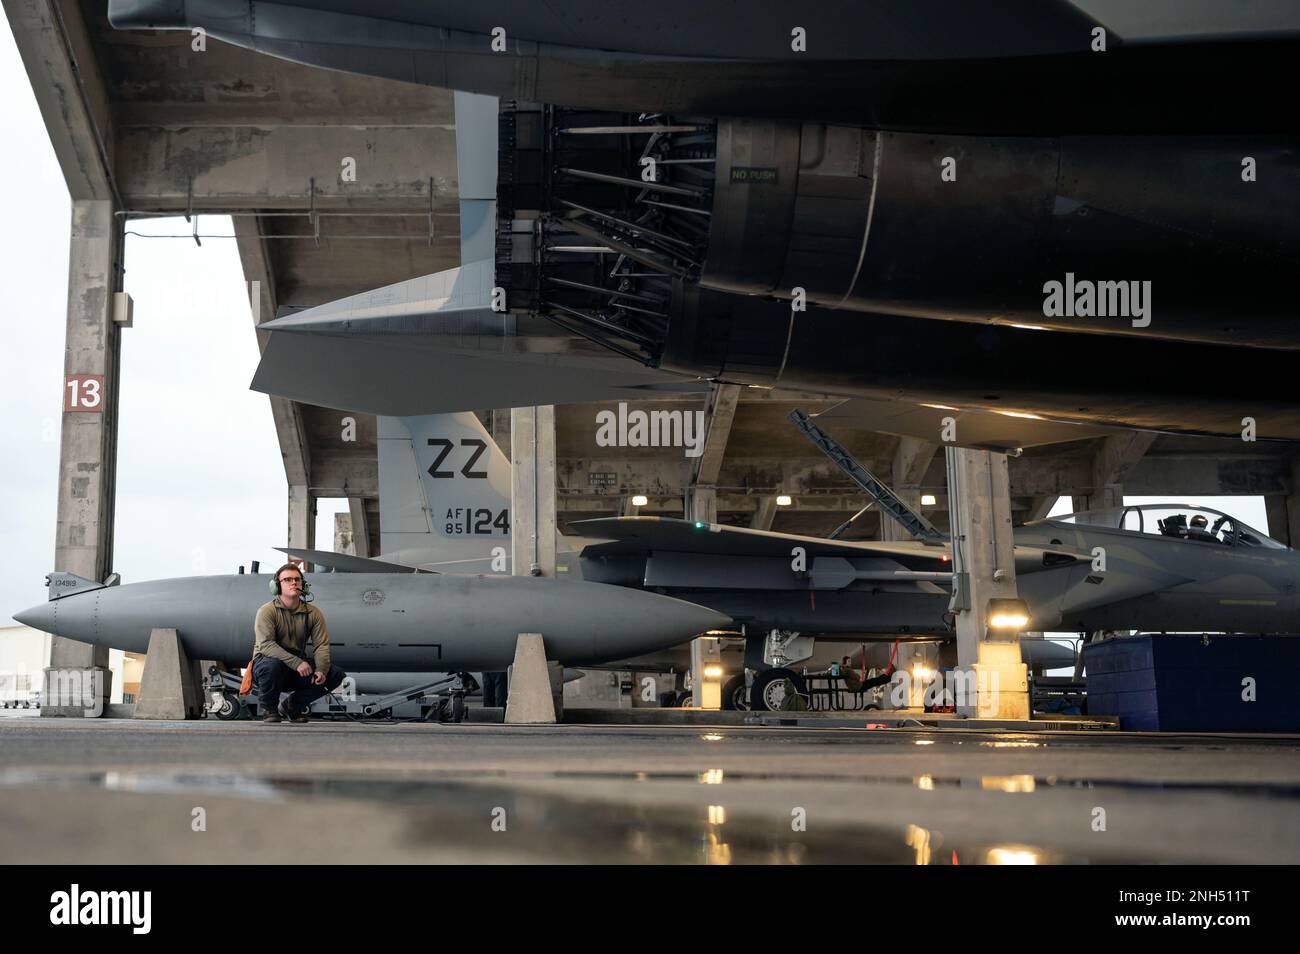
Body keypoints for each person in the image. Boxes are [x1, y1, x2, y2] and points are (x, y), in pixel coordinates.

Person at [252, 563, 346, 723]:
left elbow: (321, 645)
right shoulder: (267, 611)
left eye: (297, 579)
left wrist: (322, 670)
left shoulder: (313, 613)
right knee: (272, 665)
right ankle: (269, 709)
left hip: (295, 668)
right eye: (287, 580)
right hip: (267, 665)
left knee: (335, 674)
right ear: (276, 586)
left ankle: (291, 706)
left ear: (304, 585)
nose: (293, 583)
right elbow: (266, 645)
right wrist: (297, 663)